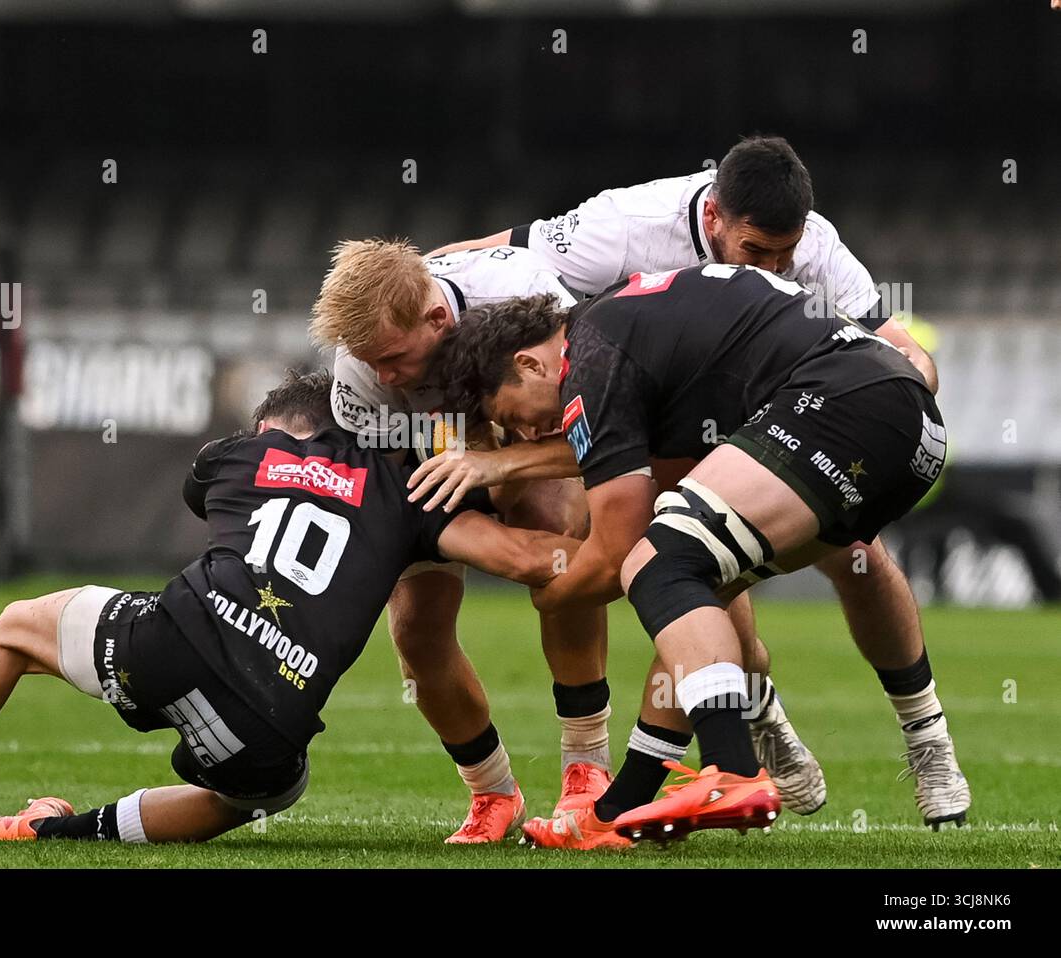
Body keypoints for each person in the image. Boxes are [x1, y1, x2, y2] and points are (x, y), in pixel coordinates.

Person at [412, 136, 967, 825]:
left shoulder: (598, 350)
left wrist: (547, 585)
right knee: (691, 573)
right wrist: (404, 281)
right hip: (842, 417)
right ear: (712, 222)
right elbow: (487, 251)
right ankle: (629, 802)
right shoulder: (620, 232)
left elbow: (613, 551)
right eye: (757, 251)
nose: (527, 432)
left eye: (511, 418)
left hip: (828, 406)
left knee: (665, 560)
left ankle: (746, 766)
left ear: (528, 364)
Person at [0, 370, 575, 846]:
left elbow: (212, 488)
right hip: (271, 726)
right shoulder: (411, 495)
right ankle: (51, 829)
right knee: (263, 793)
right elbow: (524, 559)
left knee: (15, 630)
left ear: (286, 430)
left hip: (174, 645)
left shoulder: (233, 455)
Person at [312, 239, 817, 842]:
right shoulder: (359, 374)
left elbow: (598, 422)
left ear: (439, 320)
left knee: (568, 546)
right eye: (369, 361)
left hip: (537, 438)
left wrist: (502, 466)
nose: (382, 375)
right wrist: (467, 519)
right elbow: (398, 496)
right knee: (417, 630)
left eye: (392, 358)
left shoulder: (522, 290)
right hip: (431, 462)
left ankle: (588, 766)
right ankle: (492, 791)